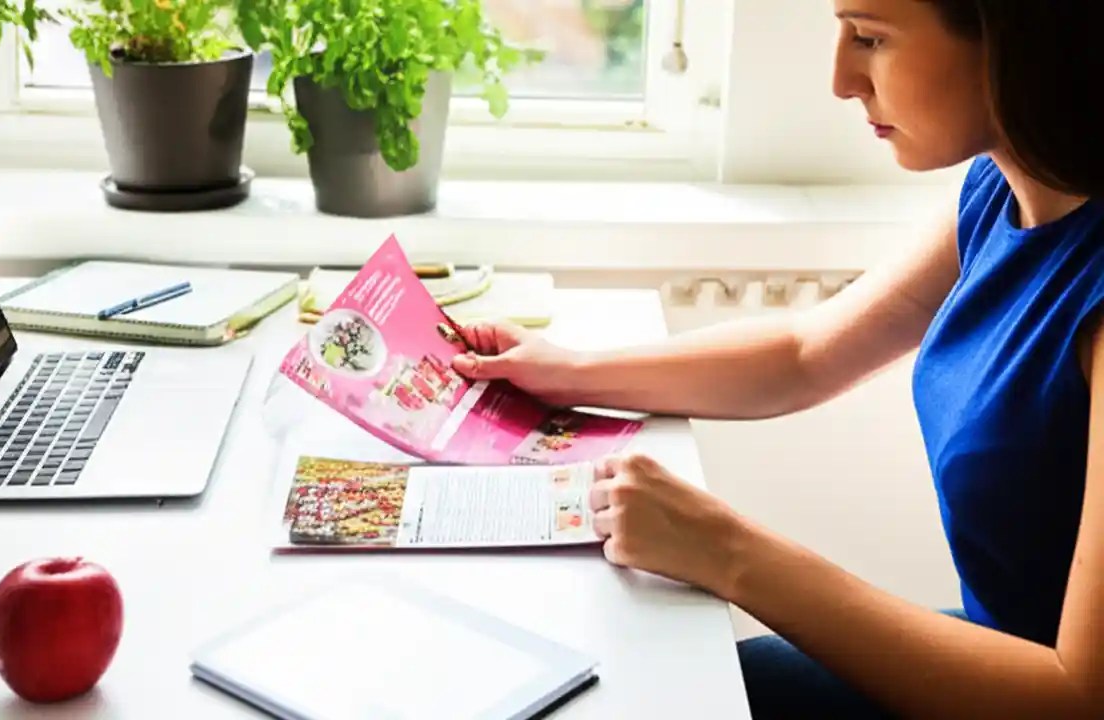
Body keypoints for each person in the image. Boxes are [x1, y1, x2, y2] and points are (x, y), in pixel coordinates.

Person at [450, 1, 1104, 717]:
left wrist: (726, 549)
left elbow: (1077, 696)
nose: (840, 78)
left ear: (1013, 42)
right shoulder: (1000, 193)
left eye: (870, 38)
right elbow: (803, 353)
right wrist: (568, 370)